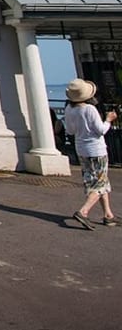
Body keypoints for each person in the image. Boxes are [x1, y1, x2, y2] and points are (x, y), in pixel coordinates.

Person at [63, 78, 118, 229]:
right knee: (100, 183)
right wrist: (108, 120)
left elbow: (70, 131)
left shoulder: (69, 109)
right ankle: (84, 211)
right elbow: (101, 130)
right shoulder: (89, 109)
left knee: (97, 180)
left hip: (81, 149)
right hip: (96, 150)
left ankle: (108, 214)